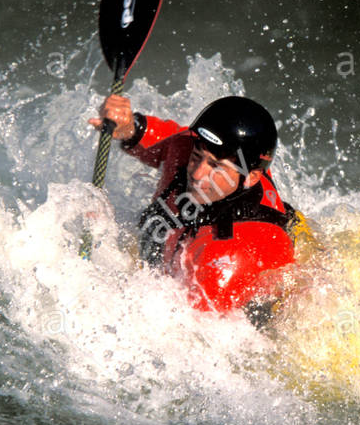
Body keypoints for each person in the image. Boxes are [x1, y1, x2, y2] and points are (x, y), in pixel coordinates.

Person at [88, 93, 300, 318]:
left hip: (243, 308)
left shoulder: (228, 258)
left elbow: (185, 334)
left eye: (216, 167)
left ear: (251, 177)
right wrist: (130, 127)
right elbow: (167, 141)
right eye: (197, 156)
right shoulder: (189, 152)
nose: (197, 174)